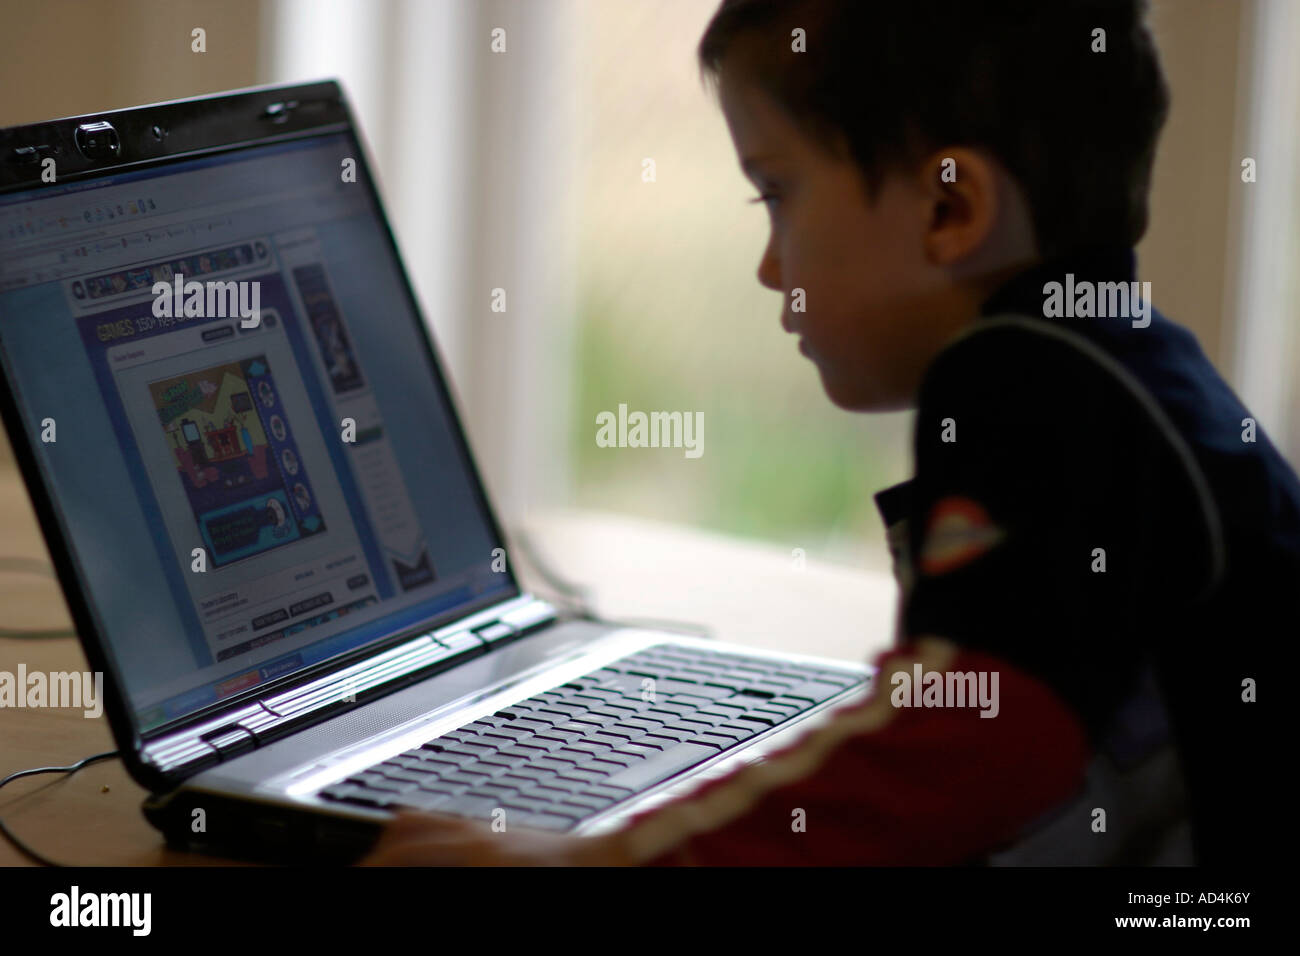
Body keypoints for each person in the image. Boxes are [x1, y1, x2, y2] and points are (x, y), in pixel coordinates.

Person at [360, 0, 1297, 866]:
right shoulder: (1120, 365)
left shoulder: (1026, 380)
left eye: (776, 194)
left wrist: (584, 863)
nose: (771, 268)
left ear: (948, 209)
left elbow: (967, 742)